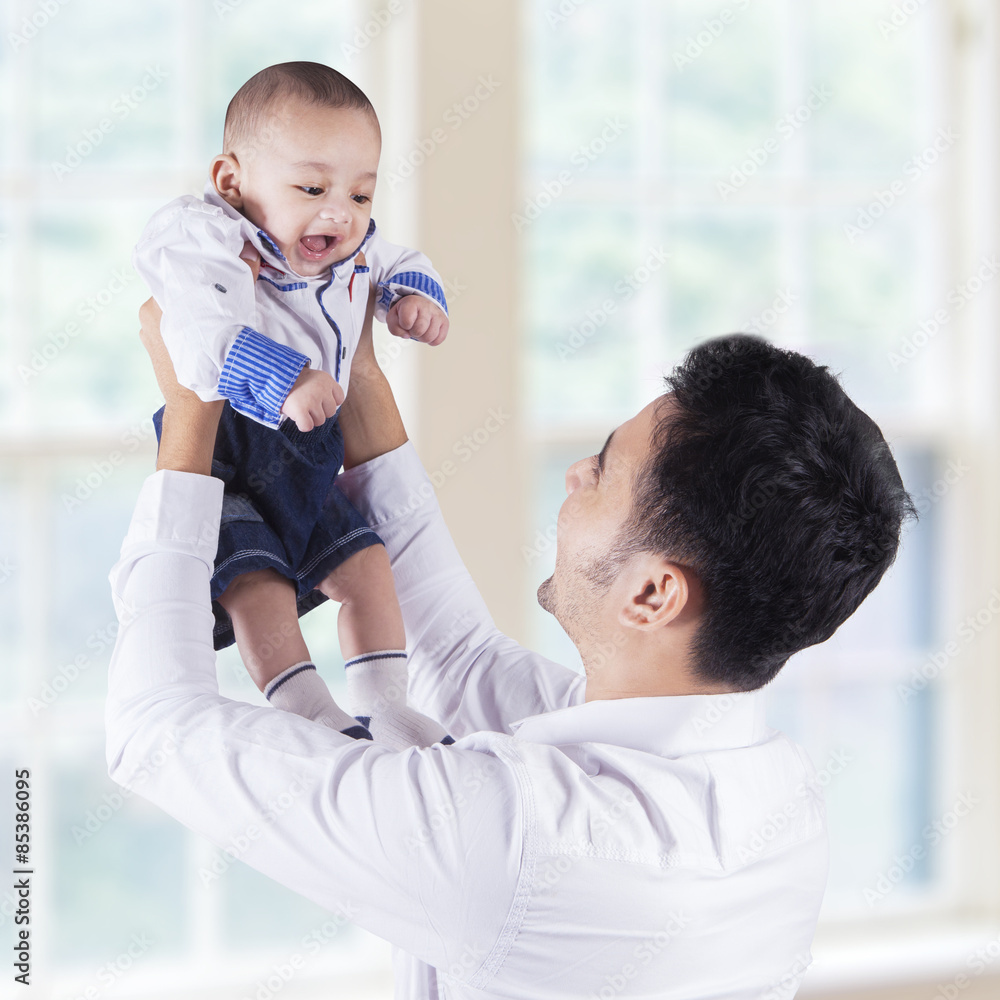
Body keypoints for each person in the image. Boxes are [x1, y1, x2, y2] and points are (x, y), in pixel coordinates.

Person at [106, 292, 914, 998]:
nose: (572, 474)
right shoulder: (775, 798)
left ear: (652, 593)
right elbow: (459, 656)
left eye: (601, 472)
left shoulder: (526, 844)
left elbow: (154, 729)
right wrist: (358, 364)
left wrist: (192, 404)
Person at [131, 61, 450, 747]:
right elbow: (193, 332)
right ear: (231, 182)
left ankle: (386, 704)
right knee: (258, 584)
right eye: (312, 187)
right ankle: (308, 707)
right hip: (232, 448)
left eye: (361, 193)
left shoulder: (346, 247)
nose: (340, 211)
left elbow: (393, 258)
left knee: (365, 563)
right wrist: (288, 377)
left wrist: (415, 296)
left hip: (307, 447)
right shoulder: (204, 239)